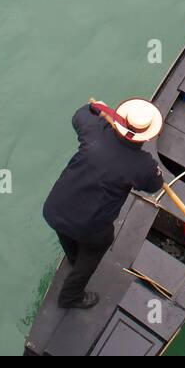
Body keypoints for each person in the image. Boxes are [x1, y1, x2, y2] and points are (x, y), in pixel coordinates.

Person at [42, 98, 164, 309]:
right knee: (97, 245)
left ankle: (73, 258)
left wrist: (97, 106)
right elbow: (155, 185)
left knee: (67, 232)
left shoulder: (96, 132)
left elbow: (81, 114)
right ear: (148, 135)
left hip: (55, 208)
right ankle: (70, 296)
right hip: (90, 227)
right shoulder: (143, 165)